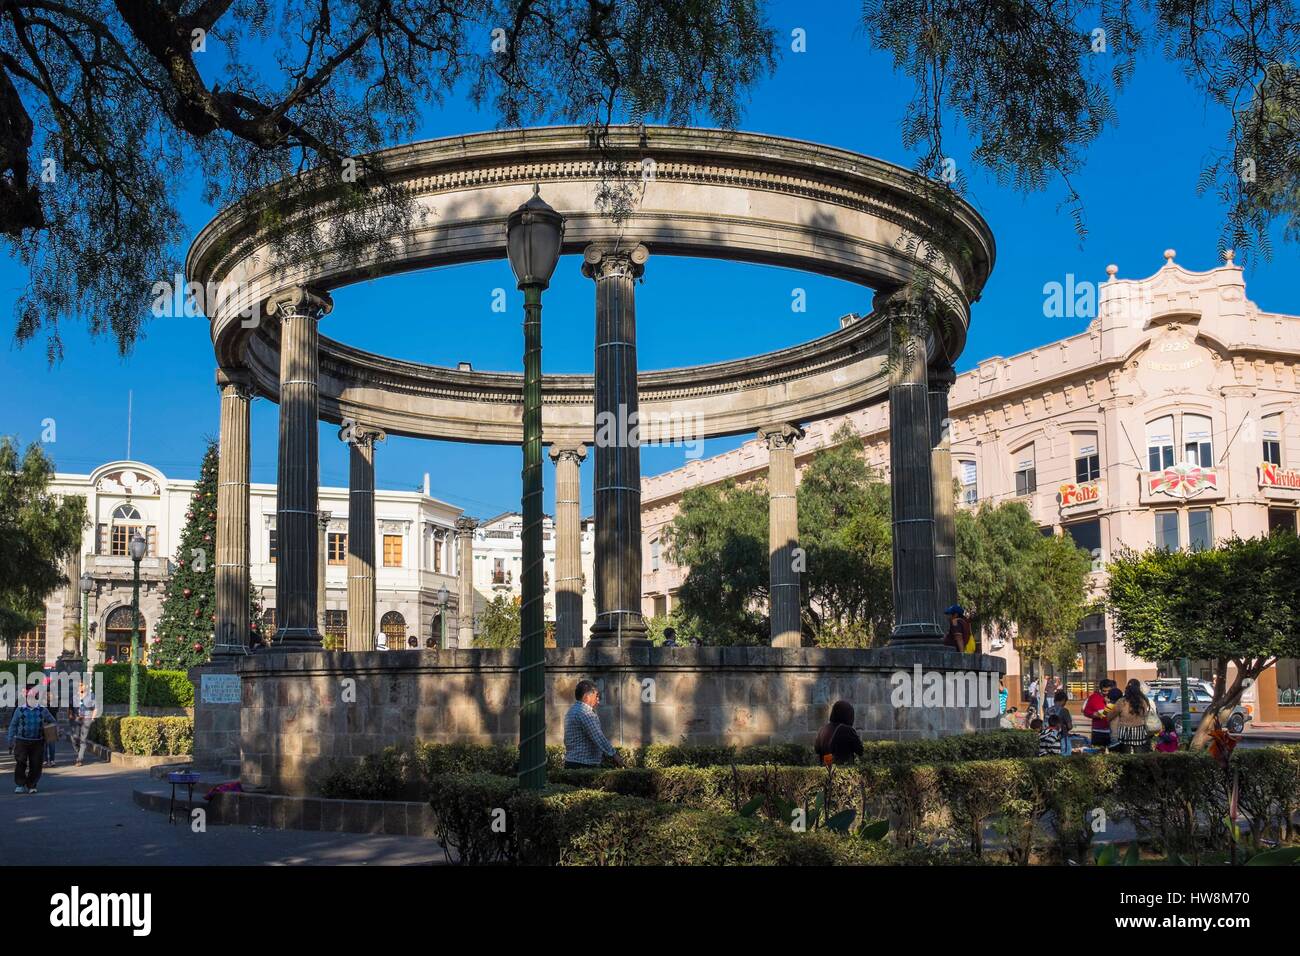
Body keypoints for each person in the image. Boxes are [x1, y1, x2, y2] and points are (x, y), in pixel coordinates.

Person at [563, 679, 624, 769]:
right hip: (583, 765)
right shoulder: (584, 713)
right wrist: (614, 754)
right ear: (587, 696)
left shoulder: (572, 710)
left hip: (572, 762)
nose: (598, 700)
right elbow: (598, 737)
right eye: (596, 696)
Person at [7, 688, 55, 793]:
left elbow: (53, 721)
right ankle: (20, 784)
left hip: (38, 741)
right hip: (21, 741)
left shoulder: (43, 710)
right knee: (20, 762)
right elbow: (13, 725)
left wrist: (50, 730)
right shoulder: (20, 710)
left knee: (36, 764)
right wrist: (10, 740)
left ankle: (32, 785)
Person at [1106, 679, 1158, 753]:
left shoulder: (1122, 701)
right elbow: (1145, 715)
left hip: (1125, 732)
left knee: (1126, 756)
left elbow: (1110, 715)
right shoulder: (1143, 701)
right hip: (1139, 731)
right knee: (1138, 756)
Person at [814, 700, 865, 765]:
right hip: (843, 771)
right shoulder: (848, 730)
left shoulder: (822, 729)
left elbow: (817, 749)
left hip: (826, 769)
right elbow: (860, 751)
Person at [1082, 678, 1116, 750]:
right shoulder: (1094, 697)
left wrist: (1108, 703)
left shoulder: (1116, 697)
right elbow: (1086, 712)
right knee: (1097, 753)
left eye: (1108, 691)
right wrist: (1094, 714)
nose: (1106, 693)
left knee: (1114, 755)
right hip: (1098, 732)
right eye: (1104, 691)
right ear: (1100, 690)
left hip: (1113, 732)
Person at [71, 680, 97, 767]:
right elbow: (70, 707)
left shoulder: (91, 695)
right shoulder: (75, 696)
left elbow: (95, 708)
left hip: (87, 718)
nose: (80, 687)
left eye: (82, 685)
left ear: (85, 686)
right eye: (79, 685)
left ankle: (79, 759)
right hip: (77, 719)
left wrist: (92, 718)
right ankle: (79, 752)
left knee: (83, 739)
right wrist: (70, 715)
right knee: (74, 738)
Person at [1048, 689, 1074, 756]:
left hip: (1048, 737)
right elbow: (1070, 726)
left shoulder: (1048, 710)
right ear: (1063, 700)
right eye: (1065, 701)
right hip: (1061, 737)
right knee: (1064, 757)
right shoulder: (1064, 711)